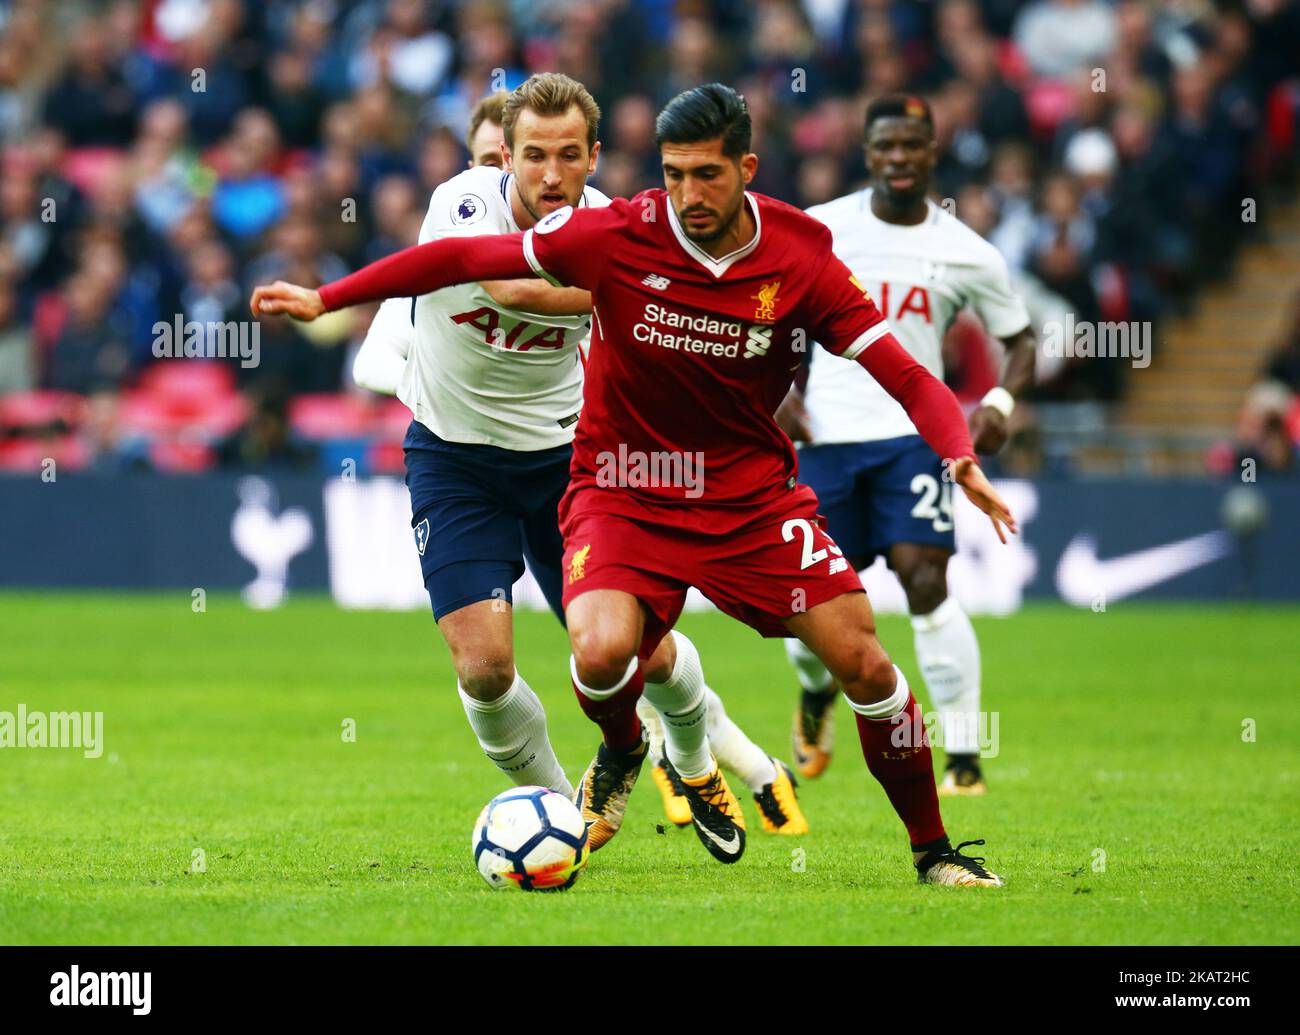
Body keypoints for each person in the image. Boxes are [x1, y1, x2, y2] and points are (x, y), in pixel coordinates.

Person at [251, 83, 1016, 885]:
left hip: (747, 496)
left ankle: (935, 851)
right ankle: (622, 749)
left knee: (865, 662)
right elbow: (462, 259)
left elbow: (903, 371)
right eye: (675, 173)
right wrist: (328, 296)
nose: (688, 194)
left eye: (708, 175)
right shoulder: (619, 231)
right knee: (603, 649)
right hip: (623, 485)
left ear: (748, 168)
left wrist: (957, 450)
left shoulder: (802, 254)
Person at [331, 76, 808, 838]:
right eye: (522, 157)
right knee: (484, 669)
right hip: (455, 461)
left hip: (571, 461)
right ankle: (563, 814)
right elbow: (500, 284)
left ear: (592, 159)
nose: (545, 176)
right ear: (498, 164)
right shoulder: (460, 207)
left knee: (641, 653)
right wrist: (617, 291)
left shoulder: (613, 232)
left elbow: (671, 329)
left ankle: (699, 759)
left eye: (564, 157)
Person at [779, 95, 1036, 795]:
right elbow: (763, 309)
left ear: (931, 153)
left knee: (926, 579)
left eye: (911, 146)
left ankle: (962, 758)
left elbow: (1020, 340)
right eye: (885, 146)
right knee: (809, 603)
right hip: (824, 441)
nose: (898, 158)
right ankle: (815, 694)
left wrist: (1001, 404)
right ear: (866, 152)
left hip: (913, 440)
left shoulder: (966, 251)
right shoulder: (821, 229)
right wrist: (779, 392)